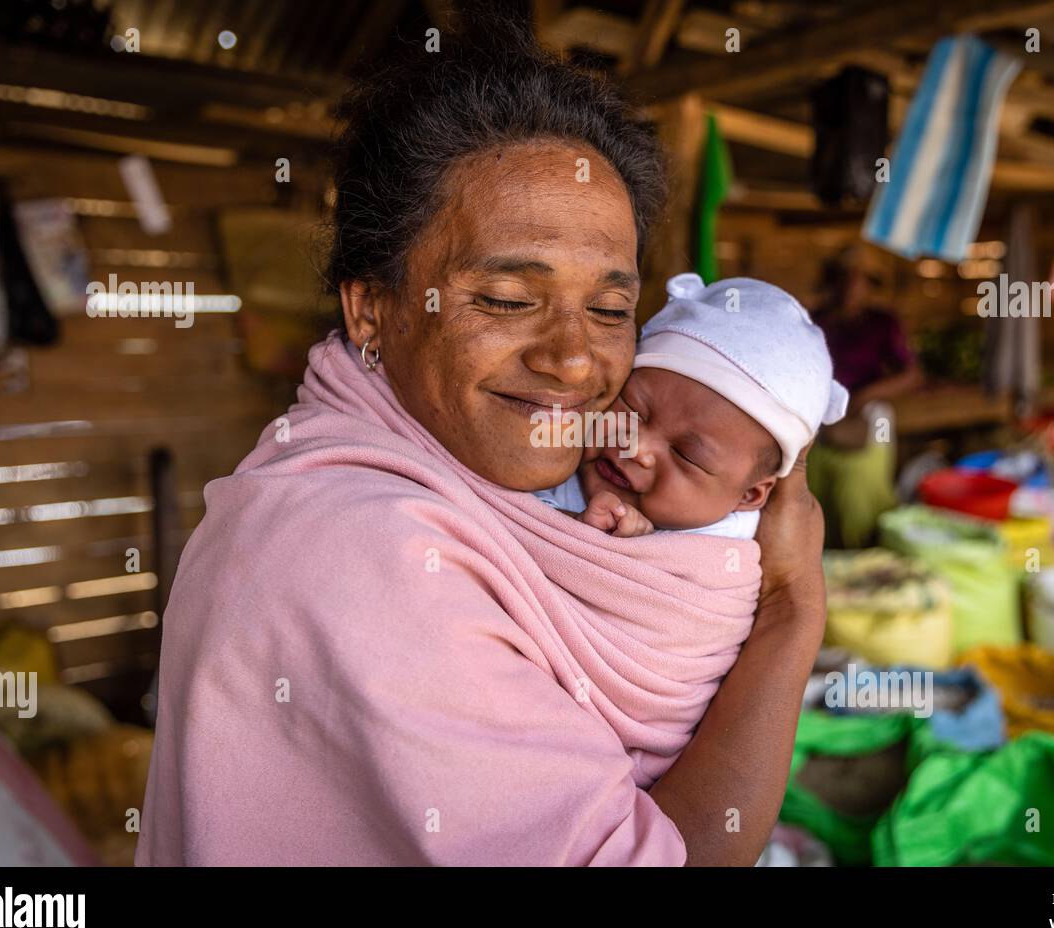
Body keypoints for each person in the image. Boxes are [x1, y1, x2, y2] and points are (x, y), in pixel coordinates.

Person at [136, 24, 827, 866]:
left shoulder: (466, 483)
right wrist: (792, 612)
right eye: (504, 297)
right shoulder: (366, 555)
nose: (575, 358)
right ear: (371, 312)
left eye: (610, 311)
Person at [538, 273, 848, 540]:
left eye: (685, 454)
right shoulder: (550, 464)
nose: (636, 446)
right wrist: (571, 526)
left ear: (748, 495)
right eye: (633, 409)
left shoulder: (726, 546)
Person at [808, 246, 924, 548]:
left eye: (860, 281)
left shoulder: (882, 323)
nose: (852, 288)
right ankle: (823, 547)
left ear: (869, 286)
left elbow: (911, 375)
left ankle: (862, 544)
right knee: (817, 481)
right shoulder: (815, 320)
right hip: (821, 411)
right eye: (845, 280)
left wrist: (864, 397)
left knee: (858, 483)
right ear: (832, 283)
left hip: (868, 412)